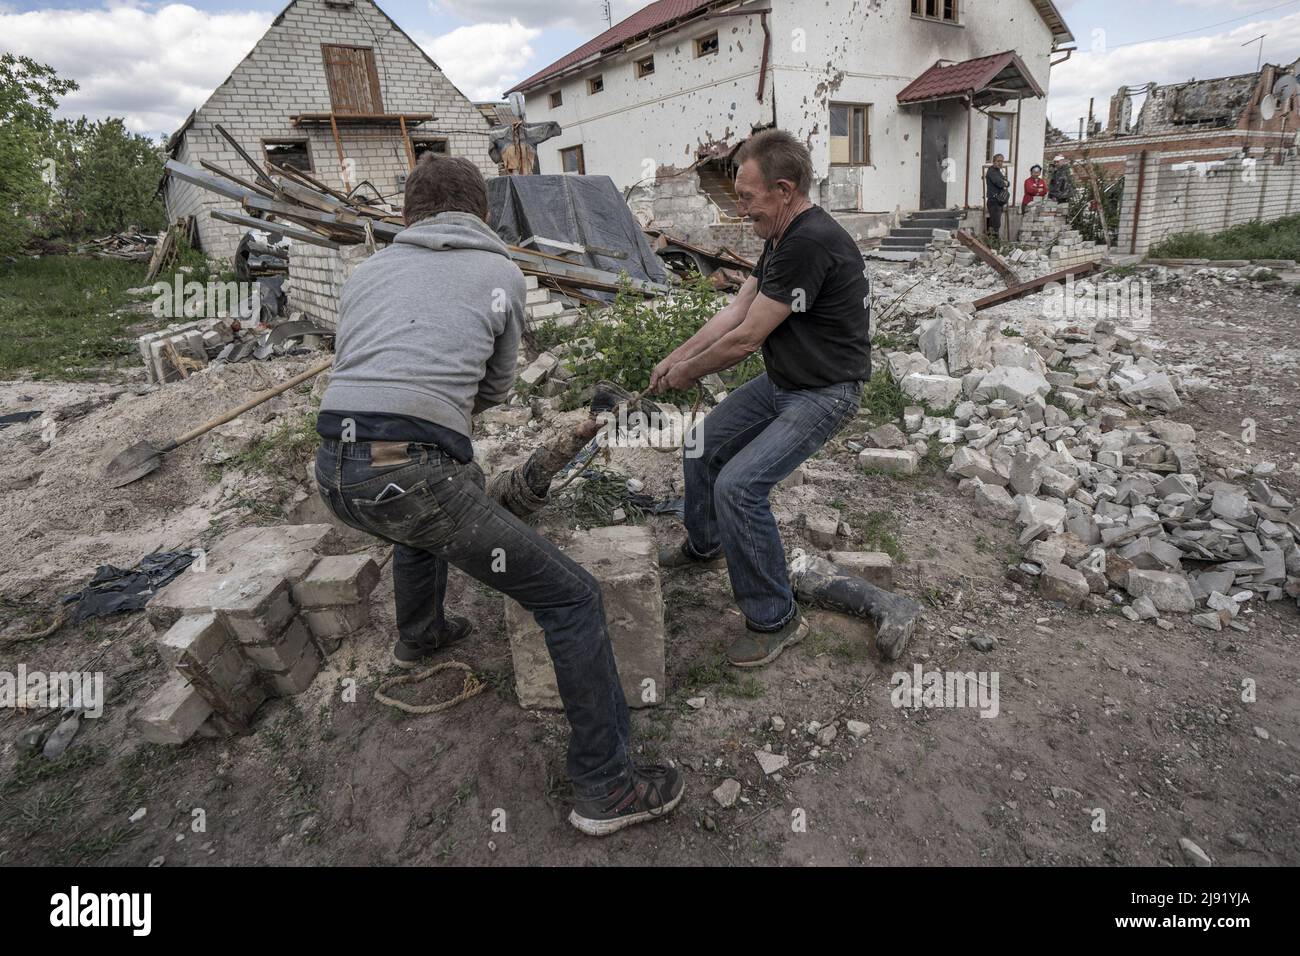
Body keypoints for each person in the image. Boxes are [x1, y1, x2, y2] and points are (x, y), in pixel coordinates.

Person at [313, 153, 683, 836]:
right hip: (409, 472)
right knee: (570, 596)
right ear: (481, 214)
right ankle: (608, 787)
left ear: (406, 215)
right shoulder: (500, 272)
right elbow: (494, 390)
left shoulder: (367, 272)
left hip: (334, 469)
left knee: (425, 511)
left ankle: (420, 637)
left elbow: (360, 366)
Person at [650, 129, 876, 666]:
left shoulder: (809, 241)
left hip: (824, 393)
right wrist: (674, 358)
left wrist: (689, 373)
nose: (739, 206)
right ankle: (705, 546)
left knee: (739, 486)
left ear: (783, 188)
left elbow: (748, 338)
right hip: (784, 382)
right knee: (702, 443)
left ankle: (774, 616)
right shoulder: (779, 235)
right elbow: (734, 313)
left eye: (747, 195)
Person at [985, 154, 1010, 240]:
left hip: (998, 201)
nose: (1000, 163)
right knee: (995, 224)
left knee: (995, 223)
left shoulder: (998, 171)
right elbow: (1000, 183)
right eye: (998, 161)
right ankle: (993, 244)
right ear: (994, 162)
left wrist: (1005, 182)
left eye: (1002, 161)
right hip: (993, 201)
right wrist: (1004, 182)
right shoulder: (991, 171)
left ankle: (992, 243)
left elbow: (1008, 183)